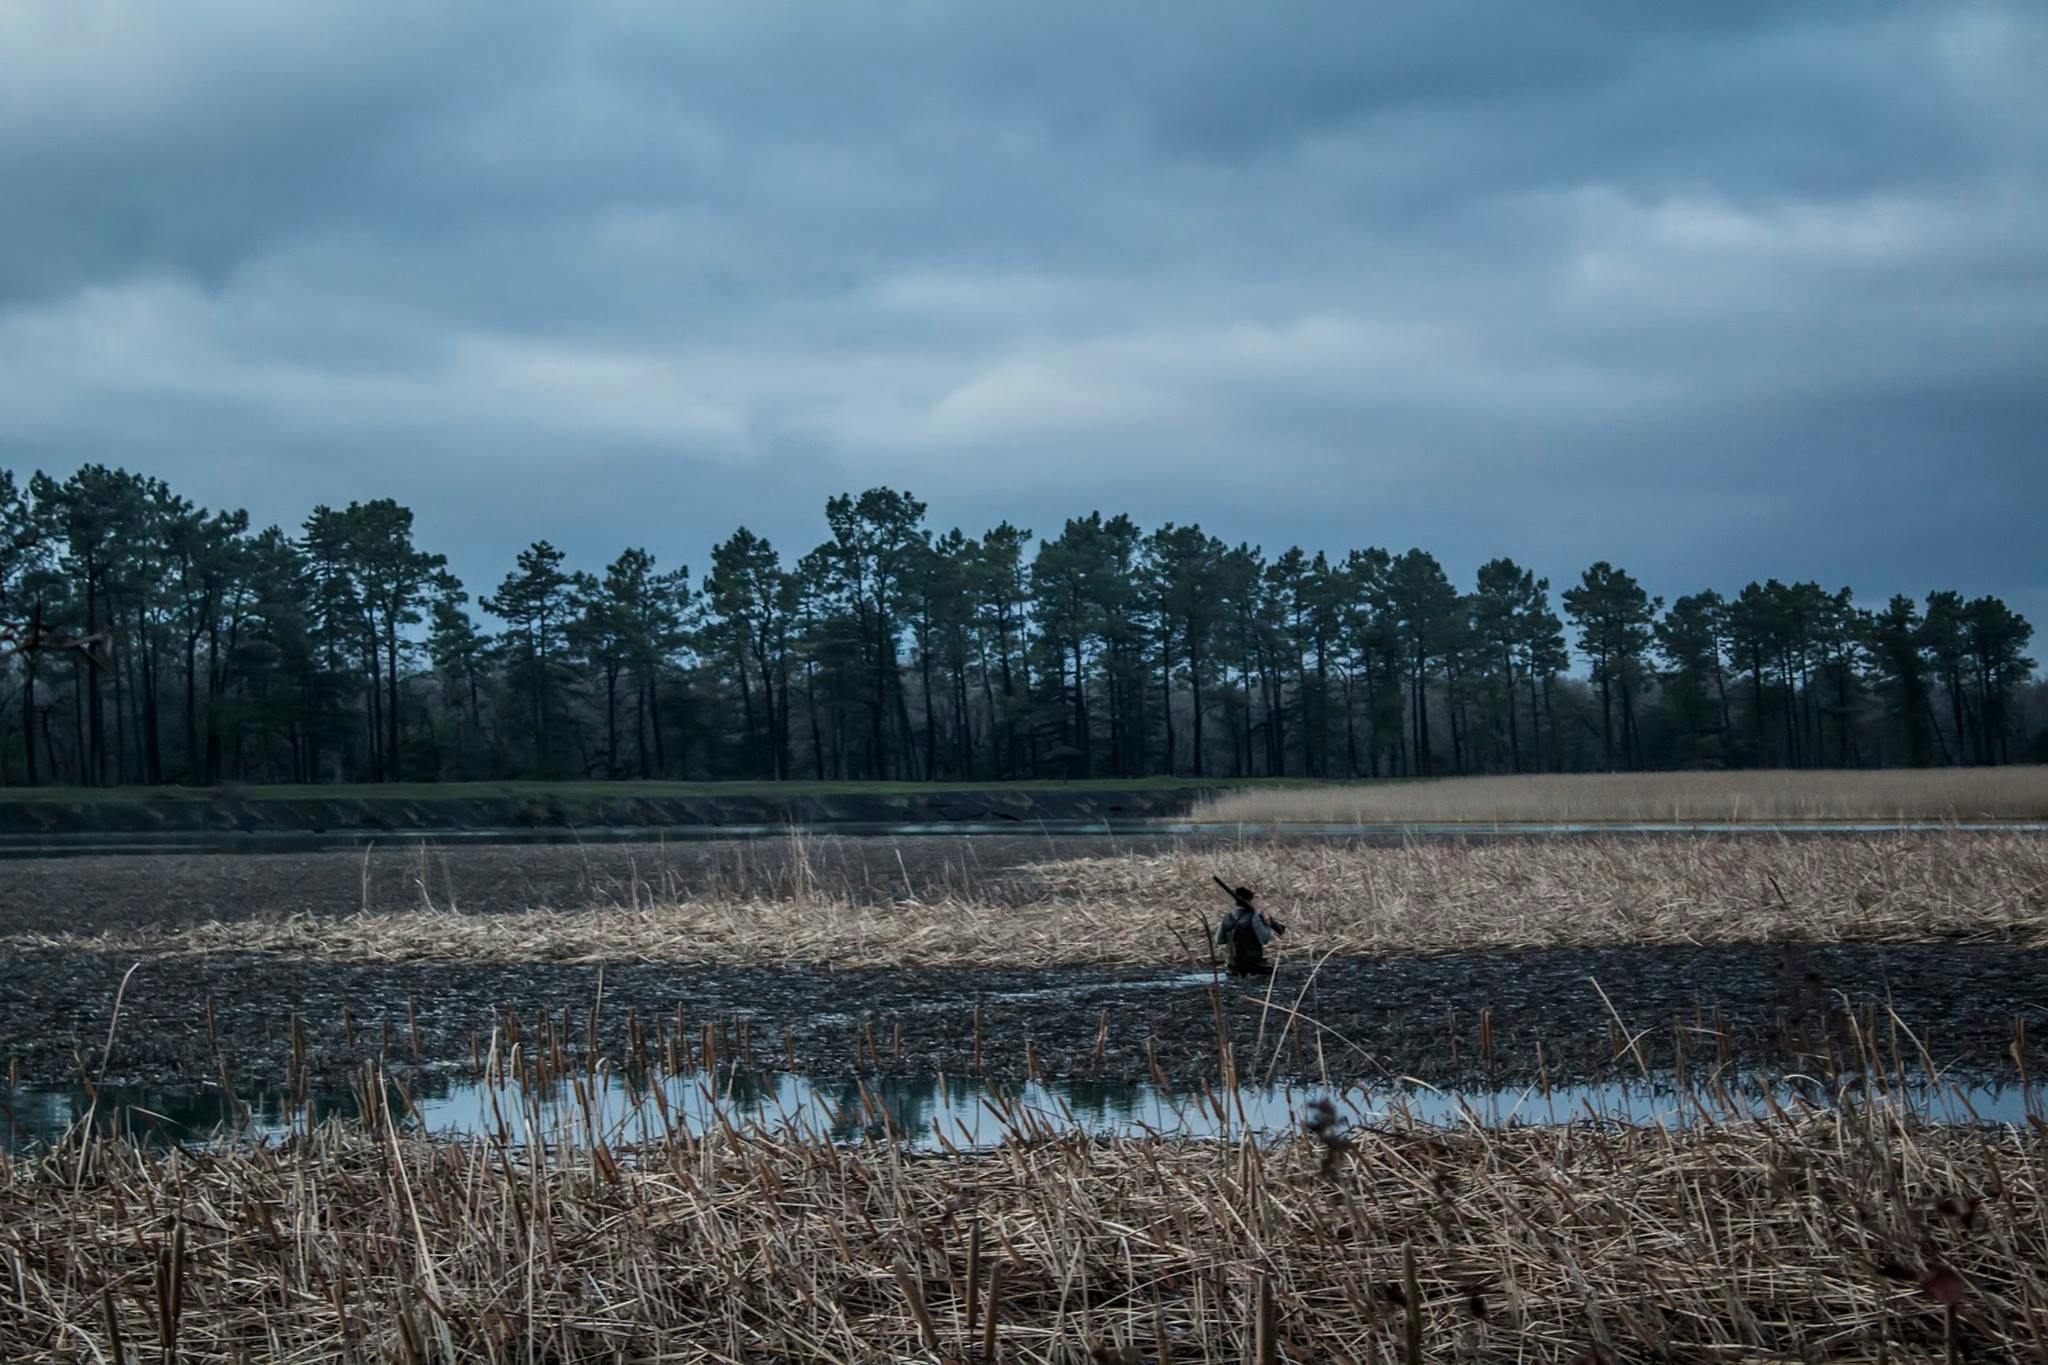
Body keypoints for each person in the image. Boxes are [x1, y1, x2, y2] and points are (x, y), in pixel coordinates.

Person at [1213, 876, 1286, 976]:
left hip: (1233, 968)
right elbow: (1265, 938)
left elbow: (1219, 940)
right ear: (1250, 901)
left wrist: (1235, 938)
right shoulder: (1254, 917)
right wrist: (1268, 923)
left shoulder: (1227, 917)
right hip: (1254, 967)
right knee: (1275, 974)